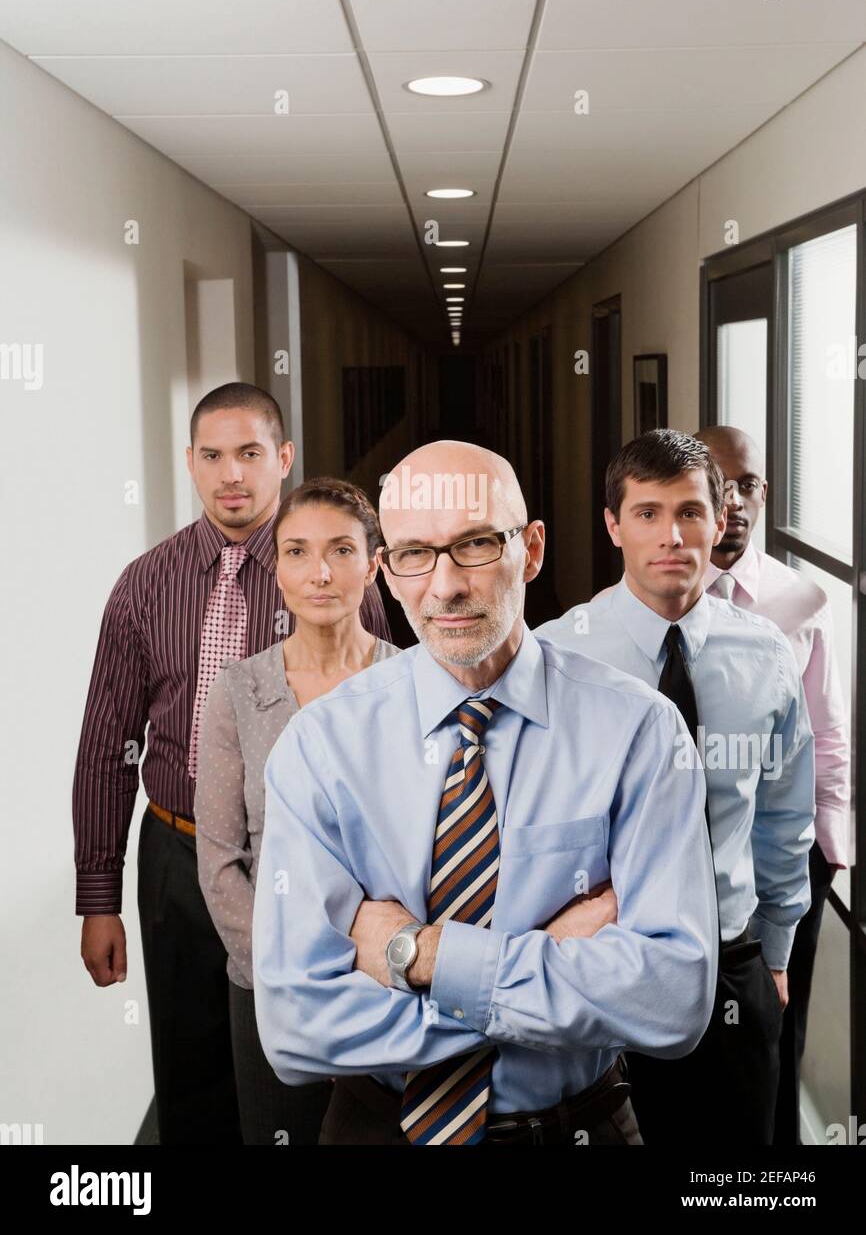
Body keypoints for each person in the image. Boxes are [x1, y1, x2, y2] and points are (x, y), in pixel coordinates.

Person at [252, 439, 718, 1146]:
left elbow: (673, 999)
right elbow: (295, 1025)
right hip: (379, 1128)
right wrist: (535, 970)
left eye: (473, 545)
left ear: (531, 551)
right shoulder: (321, 748)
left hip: (574, 1127)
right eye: (413, 554)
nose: (444, 587)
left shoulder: (640, 734)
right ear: (385, 572)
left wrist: (422, 956)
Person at [72, 382, 391, 1145]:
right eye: (212, 456)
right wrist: (98, 895)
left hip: (305, 863)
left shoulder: (329, 572)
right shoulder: (144, 585)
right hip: (180, 858)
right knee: (192, 1077)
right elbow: (107, 746)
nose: (232, 475)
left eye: (250, 453)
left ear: (282, 458)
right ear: (189, 462)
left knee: (301, 1081)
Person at [536, 429, 815, 1146]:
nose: (672, 535)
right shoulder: (558, 654)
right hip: (602, 968)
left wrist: (776, 955)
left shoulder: (766, 657)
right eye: (648, 512)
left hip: (733, 966)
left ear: (720, 523)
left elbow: (784, 820)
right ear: (613, 526)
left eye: (691, 512)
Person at [194, 478, 402, 1144]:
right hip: (271, 985)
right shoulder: (238, 690)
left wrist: (386, 961)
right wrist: (292, 969)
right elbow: (221, 860)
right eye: (297, 552)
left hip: (393, 984)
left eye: (341, 551)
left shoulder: (417, 686)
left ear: (373, 565)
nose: (319, 573)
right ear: (276, 567)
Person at [696, 424, 850, 1145]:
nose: (736, 502)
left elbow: (829, 733)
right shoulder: (664, 595)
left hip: (790, 859)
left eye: (750, 484)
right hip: (693, 860)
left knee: (777, 1021)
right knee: (691, 1031)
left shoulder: (800, 601)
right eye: (719, 485)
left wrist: (832, 847)